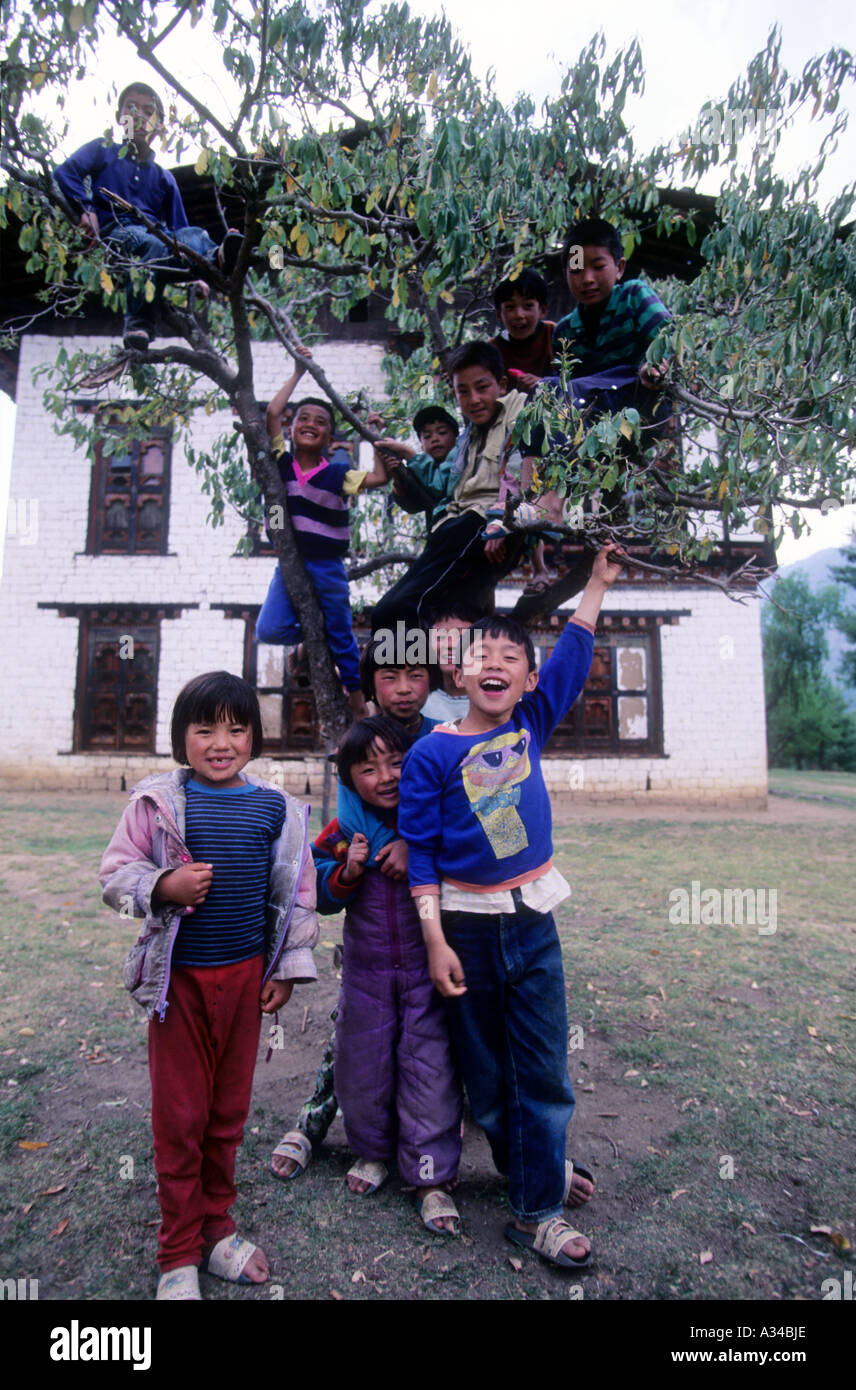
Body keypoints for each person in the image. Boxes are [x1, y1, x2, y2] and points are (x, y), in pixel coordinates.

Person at [398, 544, 627, 1270]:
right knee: (490, 1078)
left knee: (542, 1067)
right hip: (463, 928)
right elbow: (423, 857)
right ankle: (536, 1164)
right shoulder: (430, 755)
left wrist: (594, 584)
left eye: (511, 655)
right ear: (456, 673)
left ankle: (538, 1211)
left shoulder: (529, 724)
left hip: (533, 924)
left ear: (526, 677)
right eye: (481, 653)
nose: (496, 662)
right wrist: (435, 941)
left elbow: (574, 655)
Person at [99, 671, 318, 1300]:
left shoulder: (276, 809)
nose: (221, 742)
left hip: (246, 985)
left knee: (227, 1115)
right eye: (204, 728)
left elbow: (296, 896)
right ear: (181, 737)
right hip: (179, 989)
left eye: (236, 727)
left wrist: (284, 971)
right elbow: (115, 877)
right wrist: (162, 887)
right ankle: (176, 1253)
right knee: (181, 1117)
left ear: (254, 735)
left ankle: (217, 1230)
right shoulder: (159, 803)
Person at [270, 647, 440, 1180]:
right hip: (371, 953)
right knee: (360, 1041)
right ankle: (326, 1125)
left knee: (438, 1047)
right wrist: (349, 868)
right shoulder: (352, 806)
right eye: (390, 677)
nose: (405, 688)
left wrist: (416, 843)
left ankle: (490, 1148)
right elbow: (321, 873)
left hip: (440, 942)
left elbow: (469, 816)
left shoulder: (445, 737)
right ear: (369, 686)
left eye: (417, 675)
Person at [312, 716, 463, 1233]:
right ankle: (373, 1152)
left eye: (398, 762)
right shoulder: (342, 832)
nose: (388, 776)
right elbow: (319, 890)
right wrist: (348, 872)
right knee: (364, 1062)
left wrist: (413, 847)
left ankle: (430, 1175)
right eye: (369, 768)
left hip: (427, 971)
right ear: (350, 779)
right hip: (366, 973)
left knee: (429, 1066)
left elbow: (461, 859)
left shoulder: (432, 818)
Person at [54, 82, 242, 350]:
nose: (139, 115)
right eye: (131, 107)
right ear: (120, 117)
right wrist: (87, 209)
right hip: (117, 230)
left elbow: (180, 230)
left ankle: (219, 258)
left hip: (157, 235)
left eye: (148, 110)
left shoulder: (164, 178)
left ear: (160, 125)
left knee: (197, 235)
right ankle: (139, 323)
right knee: (152, 245)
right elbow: (65, 173)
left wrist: (198, 273)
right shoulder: (102, 150)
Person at [254, 349, 389, 716]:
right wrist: (298, 372)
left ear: (331, 437)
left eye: (321, 421)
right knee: (268, 630)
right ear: (292, 427)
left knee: (342, 635)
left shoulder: (338, 474)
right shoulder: (281, 463)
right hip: (290, 562)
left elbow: (379, 477)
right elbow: (271, 413)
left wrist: (375, 436)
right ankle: (310, 642)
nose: (310, 424)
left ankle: (359, 702)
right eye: (303, 418)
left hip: (328, 565)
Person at [371, 342, 534, 631]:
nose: (473, 399)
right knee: (446, 619)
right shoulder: (466, 437)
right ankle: (423, 674)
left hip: (480, 524)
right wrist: (407, 459)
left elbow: (521, 470)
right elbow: (444, 483)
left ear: (502, 384)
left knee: (401, 610)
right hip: (452, 527)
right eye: (463, 391)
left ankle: (401, 670)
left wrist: (501, 520)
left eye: (482, 387)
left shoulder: (520, 408)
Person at [372, 403, 460, 534]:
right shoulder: (422, 470)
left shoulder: (461, 458)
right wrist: (398, 479)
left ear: (455, 437)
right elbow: (413, 505)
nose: (435, 439)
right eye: (427, 436)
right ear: (421, 445)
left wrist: (407, 452)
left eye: (442, 432)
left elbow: (441, 486)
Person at [489, 268, 556, 391]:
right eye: (510, 307)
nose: (519, 315)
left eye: (528, 306)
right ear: (499, 314)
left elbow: (575, 379)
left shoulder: (554, 334)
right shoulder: (492, 350)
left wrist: (545, 383)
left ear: (543, 310)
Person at [421, 601, 480, 723]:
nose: (450, 644)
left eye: (461, 636)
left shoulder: (502, 702)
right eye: (440, 637)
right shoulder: (419, 705)